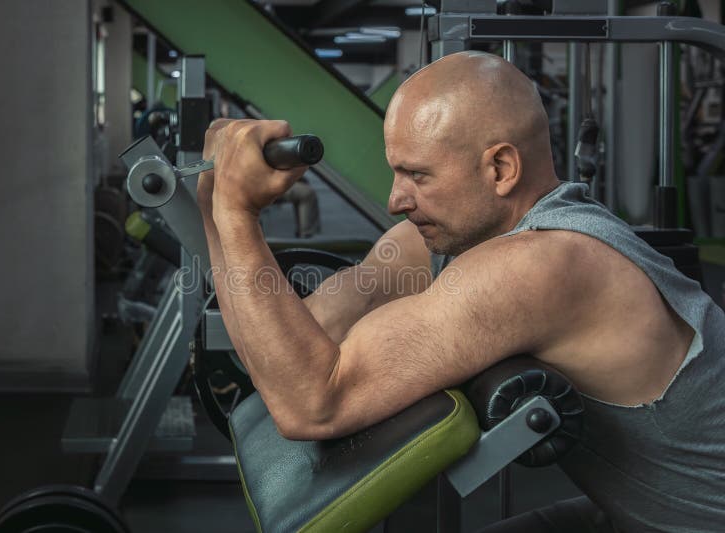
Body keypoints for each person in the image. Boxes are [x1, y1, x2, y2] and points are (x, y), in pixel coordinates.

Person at [196, 51, 725, 532]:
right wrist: (214, 205)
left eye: (416, 175)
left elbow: (312, 404)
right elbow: (282, 355)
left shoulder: (549, 263)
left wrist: (236, 214)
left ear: (500, 168)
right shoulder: (449, 234)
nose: (395, 200)